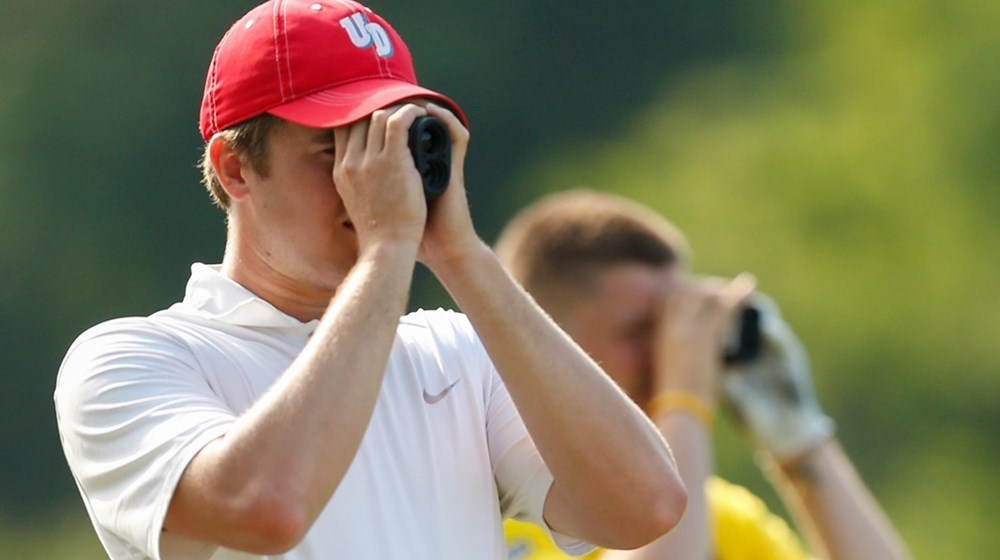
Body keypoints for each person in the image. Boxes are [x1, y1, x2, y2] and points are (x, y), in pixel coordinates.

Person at [53, 3, 687, 559]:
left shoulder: (455, 353)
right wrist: (387, 250)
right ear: (236, 166)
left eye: (390, 149)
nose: (371, 181)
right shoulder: (133, 359)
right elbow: (266, 508)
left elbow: (644, 507)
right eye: (335, 150)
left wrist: (461, 254)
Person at [496, 189, 912, 560]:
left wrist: (801, 443)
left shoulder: (718, 520)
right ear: (545, 340)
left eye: (678, 325)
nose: (675, 352)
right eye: (642, 330)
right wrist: (684, 399)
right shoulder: (490, 512)